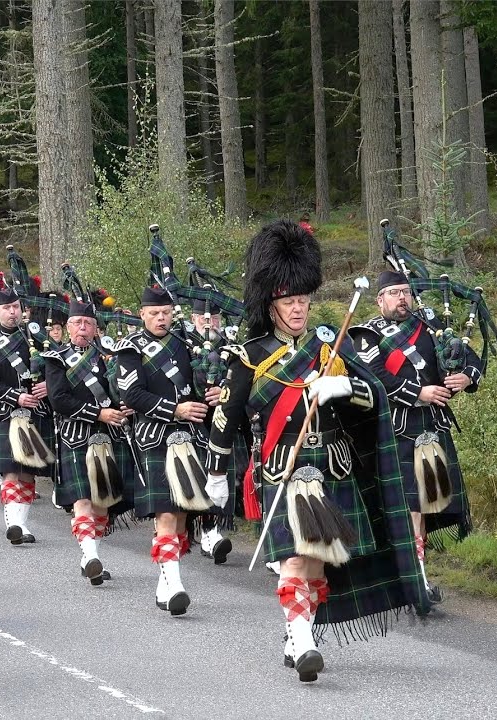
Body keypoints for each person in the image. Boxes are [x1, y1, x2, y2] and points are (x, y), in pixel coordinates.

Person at [205, 220, 427, 682]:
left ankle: (297, 629)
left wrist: (340, 385)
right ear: (271, 305)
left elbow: (374, 397)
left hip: (331, 466)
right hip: (282, 469)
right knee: (293, 558)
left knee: (319, 559)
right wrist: (217, 471)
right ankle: (303, 638)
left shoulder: (331, 343)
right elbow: (229, 413)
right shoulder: (248, 356)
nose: (300, 309)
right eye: (290, 302)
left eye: (304, 301)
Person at [348, 270, 483, 602]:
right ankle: (415, 577)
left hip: (433, 428)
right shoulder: (367, 334)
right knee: (409, 506)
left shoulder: (429, 326)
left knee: (424, 503)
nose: (402, 298)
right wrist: (419, 392)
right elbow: (374, 376)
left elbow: (470, 359)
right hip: (395, 427)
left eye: (406, 292)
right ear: (380, 300)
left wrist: (465, 377)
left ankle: (416, 572)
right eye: (394, 293)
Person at [113, 285, 217, 616]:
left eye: (166, 313)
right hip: (155, 436)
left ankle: (165, 582)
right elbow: (132, 395)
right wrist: (175, 409)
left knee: (184, 513)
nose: (161, 318)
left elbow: (200, 386)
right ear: (142, 314)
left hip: (191, 436)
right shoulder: (130, 349)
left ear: (173, 314)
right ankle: (174, 584)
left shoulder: (187, 343)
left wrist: (213, 394)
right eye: (154, 313)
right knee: (167, 512)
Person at [41, 298, 134, 585]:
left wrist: (125, 406)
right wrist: (99, 413)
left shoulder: (108, 356)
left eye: (88, 323)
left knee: (102, 503)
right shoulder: (55, 360)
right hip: (75, 436)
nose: (83, 327)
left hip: (108, 437)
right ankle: (92, 555)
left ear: (96, 328)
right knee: (82, 500)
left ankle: (89, 556)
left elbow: (121, 391)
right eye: (77, 323)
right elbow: (59, 400)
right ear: (68, 328)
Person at [0, 279, 55, 545]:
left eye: (16, 307)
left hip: (35, 412)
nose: (12, 312)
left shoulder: (36, 337)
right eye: (7, 308)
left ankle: (22, 523)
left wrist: (48, 385)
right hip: (7, 411)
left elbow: (56, 368)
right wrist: (17, 397)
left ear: (22, 309)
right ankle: (15, 523)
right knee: (10, 469)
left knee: (28, 471)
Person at [186, 297, 233, 564]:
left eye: (214, 318)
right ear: (193, 319)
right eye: (203, 318)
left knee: (224, 476)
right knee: (203, 475)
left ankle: (214, 529)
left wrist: (224, 392)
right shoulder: (184, 344)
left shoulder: (230, 346)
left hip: (226, 419)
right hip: (195, 419)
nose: (209, 322)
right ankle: (206, 532)